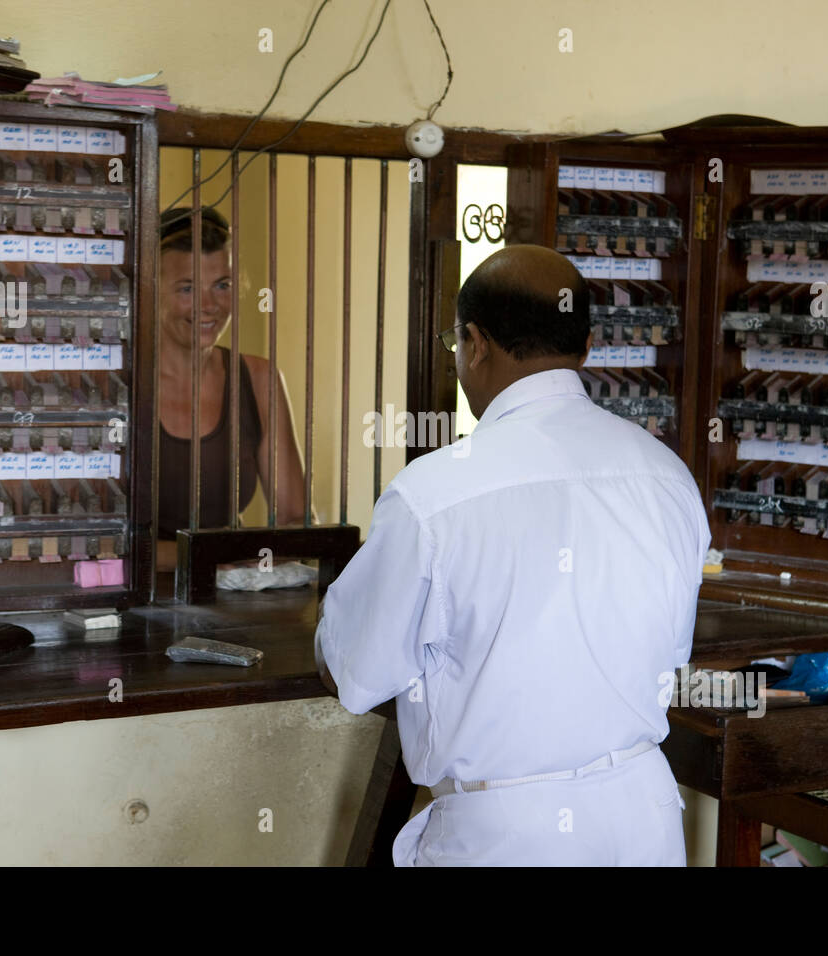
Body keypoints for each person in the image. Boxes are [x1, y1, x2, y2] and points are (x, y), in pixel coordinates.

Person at [314, 244, 711, 866]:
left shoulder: (433, 493)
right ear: (584, 349)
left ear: (474, 342)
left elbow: (356, 672)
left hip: (505, 839)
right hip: (644, 823)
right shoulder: (666, 476)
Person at [155, 207, 306, 573]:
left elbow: (295, 522)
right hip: (123, 609)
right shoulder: (116, 386)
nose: (209, 306)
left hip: (232, 606)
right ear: (149, 289)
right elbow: (104, 543)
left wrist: (226, 567)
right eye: (187, 288)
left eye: (222, 285)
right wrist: (221, 561)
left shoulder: (258, 379)